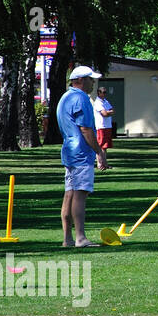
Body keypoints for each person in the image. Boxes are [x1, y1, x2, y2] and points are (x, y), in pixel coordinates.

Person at [57, 65, 107, 247]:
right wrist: (99, 152)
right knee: (80, 194)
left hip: (69, 151)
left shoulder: (65, 97)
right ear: (80, 80)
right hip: (80, 152)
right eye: (90, 79)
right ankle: (80, 237)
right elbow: (86, 129)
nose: (93, 82)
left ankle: (67, 239)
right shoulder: (81, 98)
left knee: (69, 194)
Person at [91, 86, 114, 164]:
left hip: (108, 126)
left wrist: (108, 112)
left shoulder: (106, 101)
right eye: (103, 92)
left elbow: (112, 111)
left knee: (105, 146)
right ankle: (100, 163)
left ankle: (105, 163)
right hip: (101, 126)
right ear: (98, 93)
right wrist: (108, 112)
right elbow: (104, 114)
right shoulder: (98, 103)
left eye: (105, 92)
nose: (104, 94)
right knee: (100, 146)